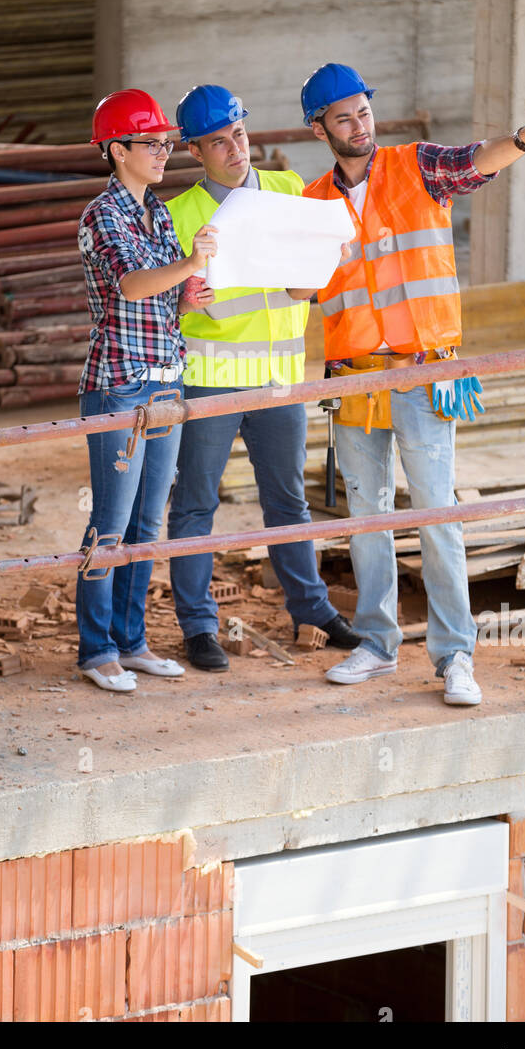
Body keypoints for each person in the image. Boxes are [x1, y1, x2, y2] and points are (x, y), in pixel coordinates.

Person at [297, 62, 525, 704]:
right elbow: (299, 292)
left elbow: (476, 161)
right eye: (343, 117)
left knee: (437, 514)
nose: (359, 124)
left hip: (425, 373)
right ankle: (376, 644)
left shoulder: (415, 166)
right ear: (320, 128)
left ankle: (455, 657)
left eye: (363, 111)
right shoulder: (312, 204)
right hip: (353, 381)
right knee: (367, 515)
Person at [164, 83, 362, 672]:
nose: (234, 149)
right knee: (196, 505)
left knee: (288, 502)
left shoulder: (285, 188)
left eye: (240, 135)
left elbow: (310, 275)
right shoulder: (178, 216)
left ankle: (312, 610)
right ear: (194, 152)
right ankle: (199, 626)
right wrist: (183, 299)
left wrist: (319, 275)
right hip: (211, 378)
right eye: (218, 142)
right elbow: (167, 307)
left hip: (279, 378)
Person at [75, 89, 217, 692]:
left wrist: (184, 298)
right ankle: (95, 647)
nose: (163, 152)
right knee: (110, 522)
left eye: (165, 143)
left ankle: (130, 641)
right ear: (116, 149)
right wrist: (187, 267)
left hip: (164, 380)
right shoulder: (101, 216)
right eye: (150, 143)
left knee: (146, 524)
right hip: (120, 385)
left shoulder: (155, 212)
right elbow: (132, 286)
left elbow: (157, 300)